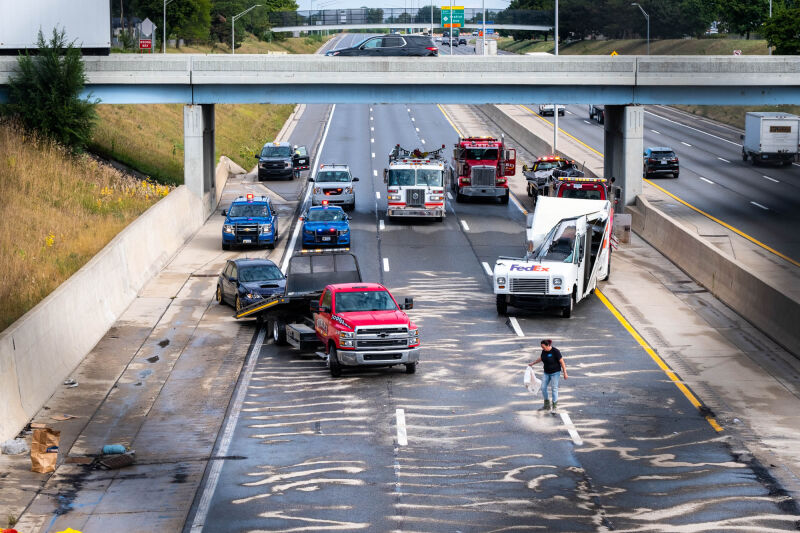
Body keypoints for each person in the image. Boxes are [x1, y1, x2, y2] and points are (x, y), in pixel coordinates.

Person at [529, 339, 568, 413]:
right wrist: (533, 363)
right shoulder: (544, 351)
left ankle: (554, 406)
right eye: (542, 347)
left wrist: (565, 372)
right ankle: (547, 406)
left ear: (548, 345)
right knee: (543, 388)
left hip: (555, 373)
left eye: (543, 347)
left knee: (554, 388)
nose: (542, 348)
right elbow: (541, 358)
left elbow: (562, 362)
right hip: (546, 372)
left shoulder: (555, 351)